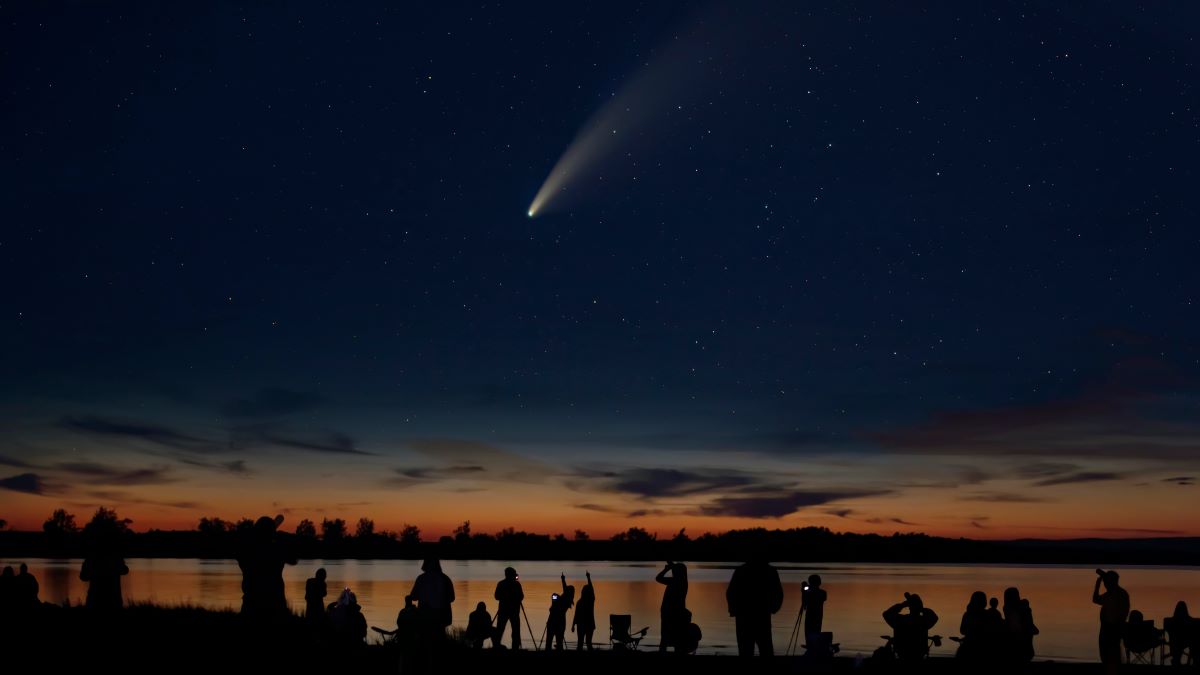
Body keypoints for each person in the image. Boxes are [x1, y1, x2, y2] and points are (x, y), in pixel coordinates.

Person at [236, 515, 298, 619]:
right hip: (275, 604)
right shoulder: (277, 550)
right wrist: (282, 540)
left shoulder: (247, 552)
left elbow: (241, 554)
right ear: (272, 533)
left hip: (251, 604)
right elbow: (294, 559)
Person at [725, 557, 784, 656]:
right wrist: (774, 608)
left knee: (746, 648)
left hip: (745, 616)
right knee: (765, 648)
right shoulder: (770, 571)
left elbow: (731, 592)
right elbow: (778, 593)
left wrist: (733, 609)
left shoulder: (741, 570)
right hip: (761, 615)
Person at [80, 524, 129, 612]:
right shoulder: (115, 555)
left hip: (94, 601)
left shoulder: (92, 556)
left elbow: (83, 576)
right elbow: (125, 570)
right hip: (114, 601)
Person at [882, 592, 939, 662]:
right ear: (920, 606)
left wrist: (902, 605)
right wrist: (921, 609)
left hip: (902, 654)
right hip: (919, 654)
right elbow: (934, 617)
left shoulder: (900, 620)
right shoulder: (923, 621)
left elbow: (886, 614)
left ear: (909, 607)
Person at [1092, 569, 1130, 674]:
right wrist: (1098, 584)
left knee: (1109, 655)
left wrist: (1098, 584)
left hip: (1111, 629)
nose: (1105, 584)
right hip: (1109, 628)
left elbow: (1096, 599)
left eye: (1106, 582)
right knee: (1109, 655)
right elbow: (1096, 600)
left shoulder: (1115, 594)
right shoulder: (1117, 593)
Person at [410, 558, 455, 639]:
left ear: (425, 565)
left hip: (425, 616)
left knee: (425, 638)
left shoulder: (421, 579)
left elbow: (414, 597)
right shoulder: (445, 579)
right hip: (441, 617)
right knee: (440, 638)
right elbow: (452, 598)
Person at [656, 561, 689, 652]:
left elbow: (658, 578)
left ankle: (662, 651)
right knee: (677, 636)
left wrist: (666, 569)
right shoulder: (683, 581)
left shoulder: (674, 581)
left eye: (674, 570)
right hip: (679, 612)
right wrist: (672, 566)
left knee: (665, 636)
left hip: (668, 612)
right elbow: (677, 569)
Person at [1002, 586, 1038, 662]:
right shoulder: (1022, 609)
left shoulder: (1012, 609)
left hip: (1018, 651)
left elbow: (1015, 628)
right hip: (1026, 650)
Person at [493, 566, 524, 649]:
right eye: (514, 574)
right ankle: (514, 647)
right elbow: (521, 597)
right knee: (512, 630)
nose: (515, 576)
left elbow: (496, 596)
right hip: (510, 611)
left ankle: (497, 645)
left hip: (505, 610)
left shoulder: (502, 583)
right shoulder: (516, 584)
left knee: (503, 629)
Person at [545, 573, 575, 650]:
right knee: (558, 641)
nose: (565, 590)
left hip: (554, 622)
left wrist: (555, 598)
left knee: (551, 641)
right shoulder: (568, 599)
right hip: (560, 622)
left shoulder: (566, 600)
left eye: (567, 590)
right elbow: (564, 589)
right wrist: (563, 579)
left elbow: (561, 591)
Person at [957, 591, 989, 660]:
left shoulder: (967, 614)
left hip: (968, 645)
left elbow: (962, 630)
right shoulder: (987, 614)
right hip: (983, 645)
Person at [802, 574, 828, 650]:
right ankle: (812, 649)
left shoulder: (821, 593)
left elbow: (804, 604)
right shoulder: (822, 592)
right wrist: (804, 592)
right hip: (817, 617)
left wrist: (805, 592)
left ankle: (811, 649)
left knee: (811, 634)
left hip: (812, 617)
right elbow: (804, 605)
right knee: (814, 634)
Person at [1164, 601, 1195, 667]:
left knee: (1178, 643)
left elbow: (1165, 630)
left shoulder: (1170, 621)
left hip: (1175, 642)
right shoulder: (1190, 621)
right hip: (1185, 641)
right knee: (1193, 641)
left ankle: (1176, 661)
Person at [572, 571, 596, 650]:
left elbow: (576, 614)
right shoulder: (590, 600)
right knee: (588, 642)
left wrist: (573, 625)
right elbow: (592, 589)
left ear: (582, 592)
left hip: (581, 624)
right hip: (588, 624)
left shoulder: (580, 602)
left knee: (580, 643)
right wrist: (588, 578)